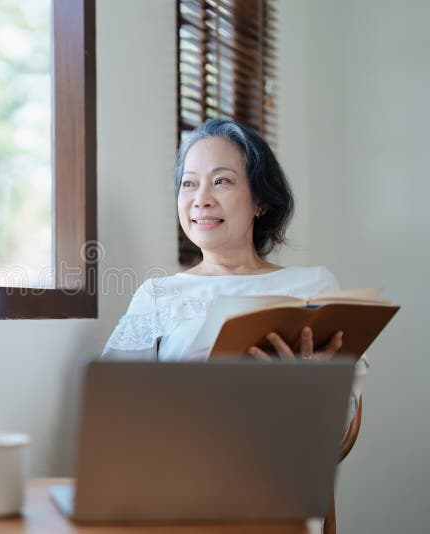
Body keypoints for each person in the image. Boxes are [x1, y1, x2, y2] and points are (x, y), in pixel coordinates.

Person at [101, 117, 366, 428]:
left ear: (260, 201)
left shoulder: (313, 285)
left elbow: (342, 421)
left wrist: (310, 383)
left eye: (221, 181)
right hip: (181, 464)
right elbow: (112, 407)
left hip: (281, 467)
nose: (201, 199)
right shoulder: (157, 295)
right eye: (189, 184)